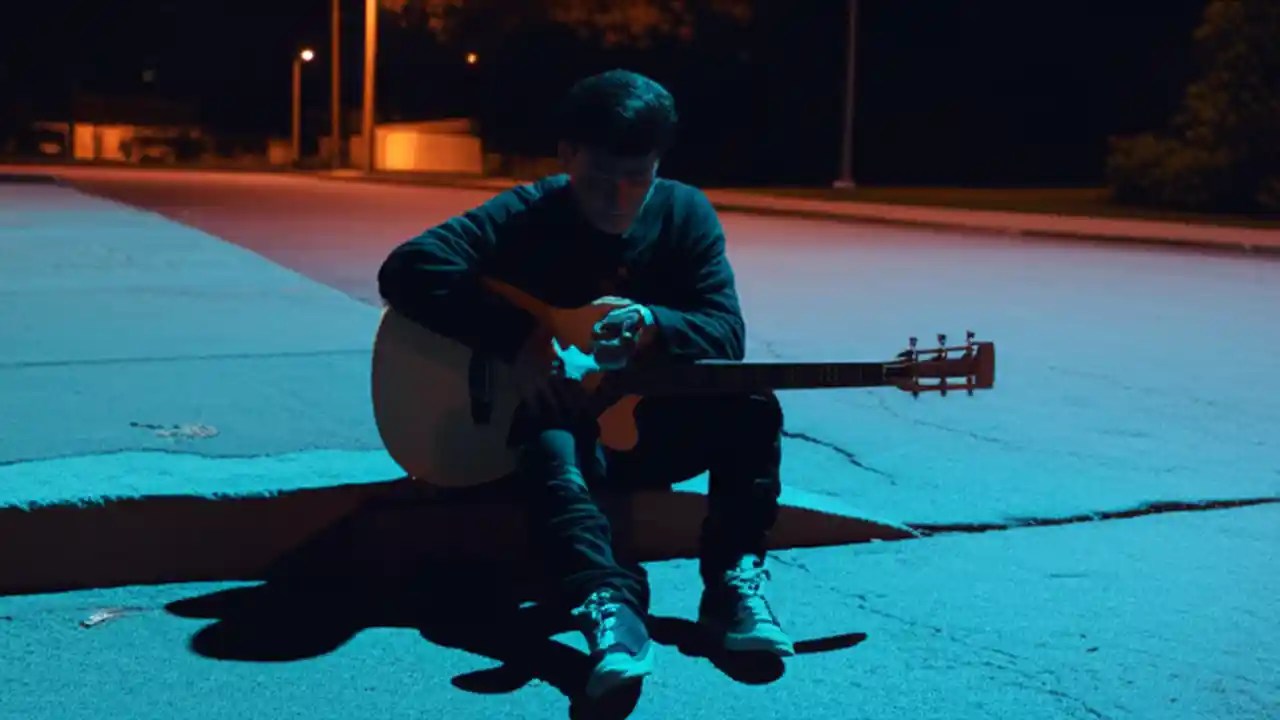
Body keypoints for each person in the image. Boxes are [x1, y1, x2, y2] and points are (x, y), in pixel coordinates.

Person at [377, 69, 793, 698]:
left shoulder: (684, 213)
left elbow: (725, 331)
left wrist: (656, 325)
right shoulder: (527, 213)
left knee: (753, 405)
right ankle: (609, 605)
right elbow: (408, 268)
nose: (620, 198)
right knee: (550, 440)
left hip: (650, 428)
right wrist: (519, 340)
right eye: (601, 178)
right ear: (567, 155)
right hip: (562, 434)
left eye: (638, 178)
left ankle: (731, 585)